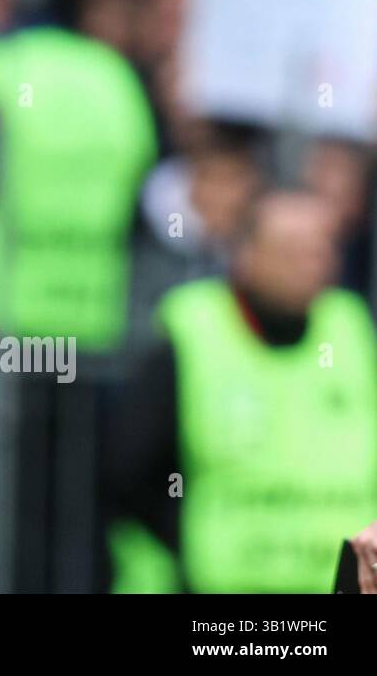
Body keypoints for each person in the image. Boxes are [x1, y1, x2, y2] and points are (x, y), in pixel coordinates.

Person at [106, 189, 377, 594]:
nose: (310, 266)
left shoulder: (350, 328)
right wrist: (190, 549)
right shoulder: (193, 330)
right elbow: (133, 469)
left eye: (319, 250)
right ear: (246, 255)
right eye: (291, 251)